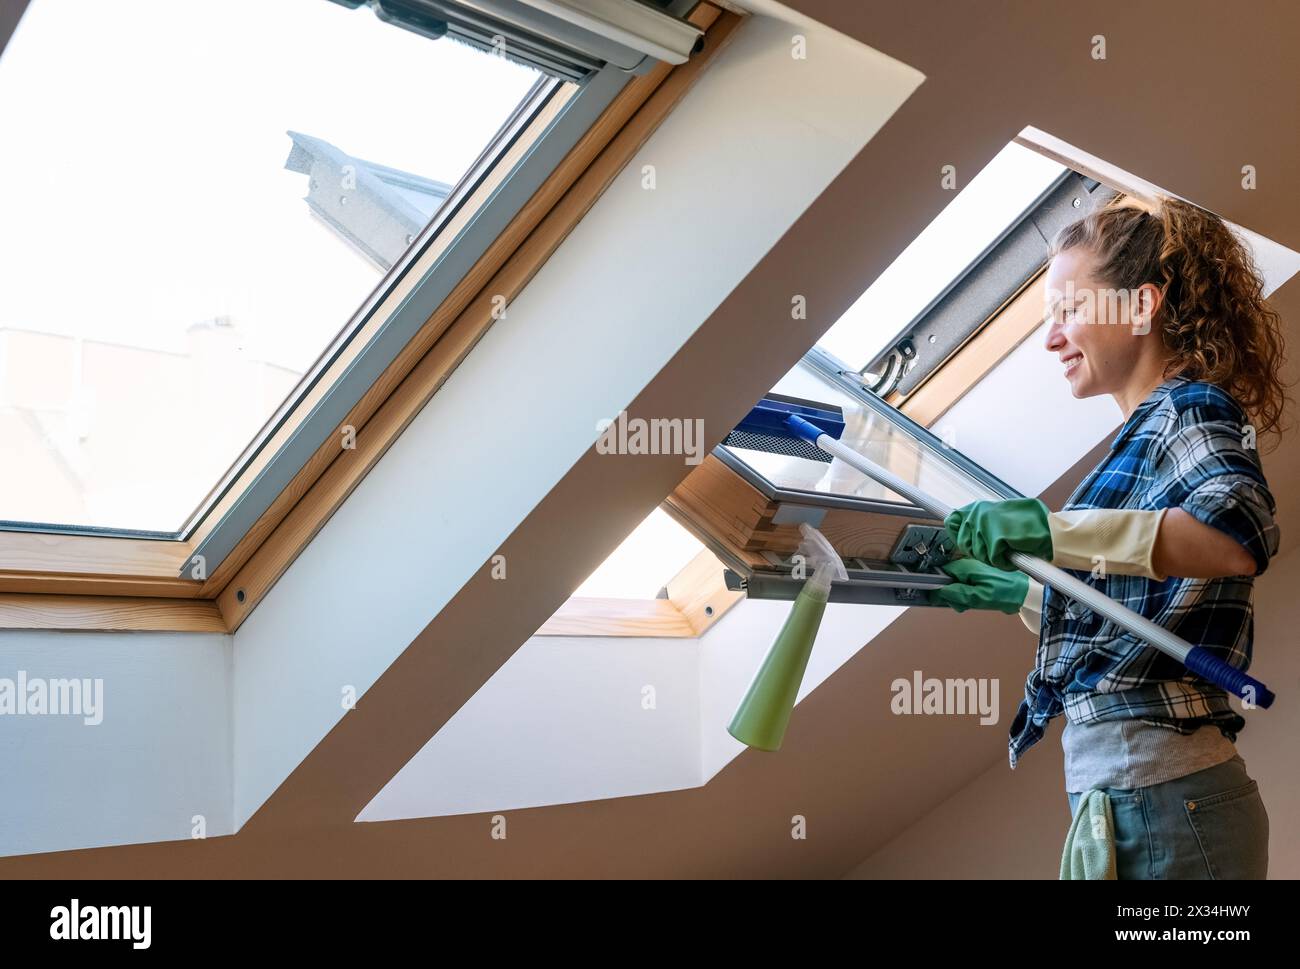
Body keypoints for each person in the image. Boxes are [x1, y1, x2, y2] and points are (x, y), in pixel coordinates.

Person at [933, 195, 1286, 879]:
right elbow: (1136, 607)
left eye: (1069, 310)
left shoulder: (1191, 406)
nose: (1051, 337)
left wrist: (1050, 529)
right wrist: (1025, 590)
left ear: (1140, 307)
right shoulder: (1142, 435)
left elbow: (1234, 534)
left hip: (1163, 800)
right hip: (1143, 798)